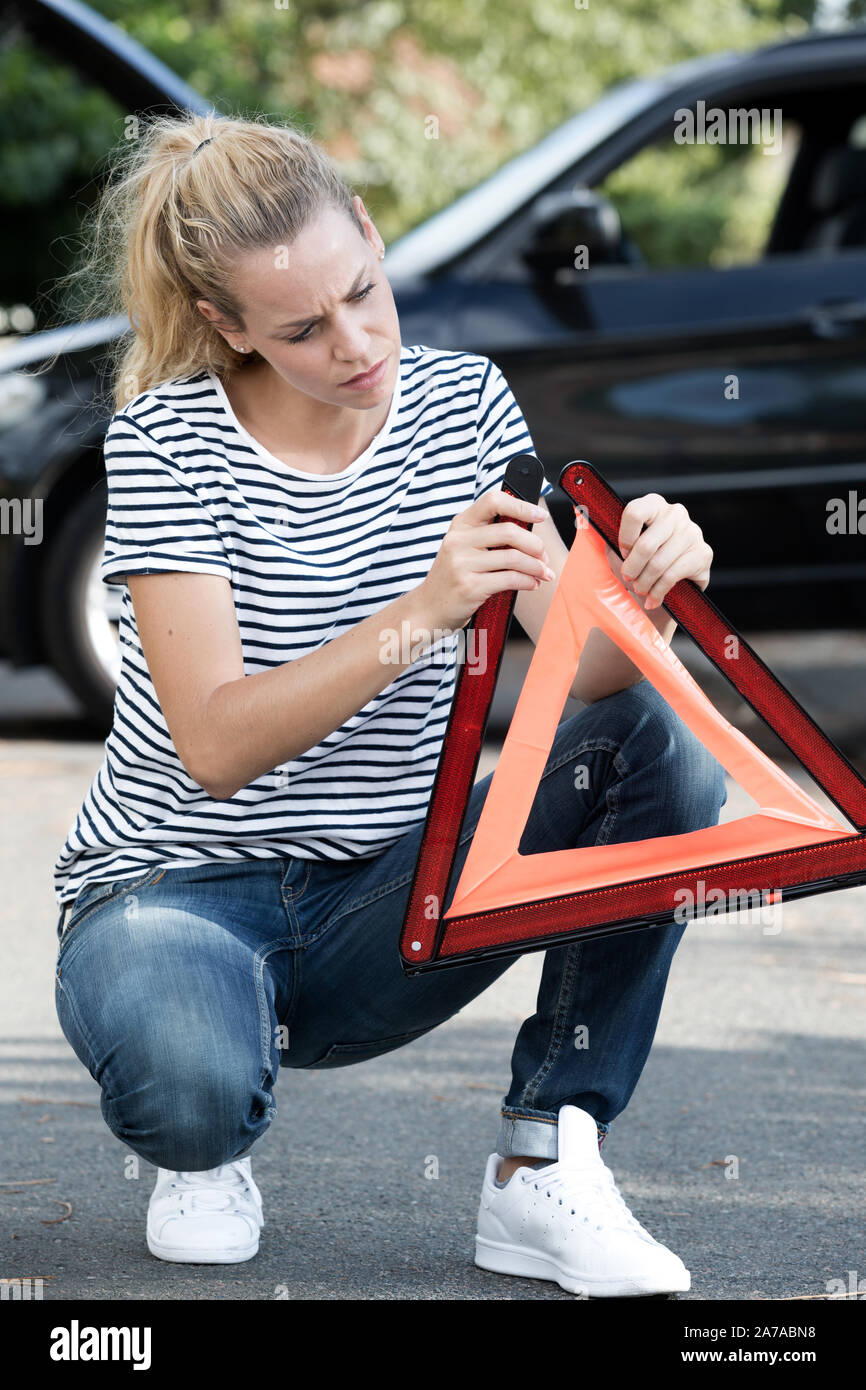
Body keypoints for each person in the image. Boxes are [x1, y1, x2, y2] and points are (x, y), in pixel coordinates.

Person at [51, 112, 726, 1297]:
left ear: (368, 230)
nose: (358, 344)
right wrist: (422, 610)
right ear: (226, 326)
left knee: (653, 743)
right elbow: (214, 744)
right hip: (174, 895)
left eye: (362, 290)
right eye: (301, 329)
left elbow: (591, 670)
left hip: (386, 899)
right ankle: (203, 1145)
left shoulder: (461, 405)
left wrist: (651, 600)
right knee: (192, 1096)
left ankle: (541, 1163)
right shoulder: (165, 439)